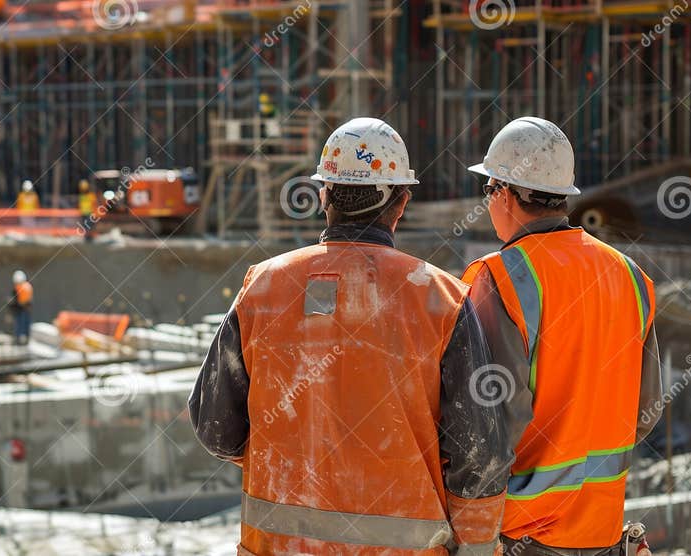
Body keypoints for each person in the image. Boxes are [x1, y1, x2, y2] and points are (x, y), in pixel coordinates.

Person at [190, 117, 514, 555]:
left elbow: (215, 430)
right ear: (401, 202)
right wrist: (476, 548)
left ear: (324, 196)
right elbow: (479, 456)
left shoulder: (262, 288)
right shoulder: (440, 299)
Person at [461, 117, 662, 552]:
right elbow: (645, 412)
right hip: (602, 532)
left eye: (489, 190)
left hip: (519, 533)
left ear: (506, 193)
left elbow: (486, 427)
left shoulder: (499, 278)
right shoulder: (631, 277)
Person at [10, 270, 33, 345]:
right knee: (24, 325)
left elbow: (15, 301)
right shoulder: (28, 286)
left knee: (20, 326)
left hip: (20, 310)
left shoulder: (18, 288)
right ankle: (24, 340)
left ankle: (19, 340)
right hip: (25, 309)